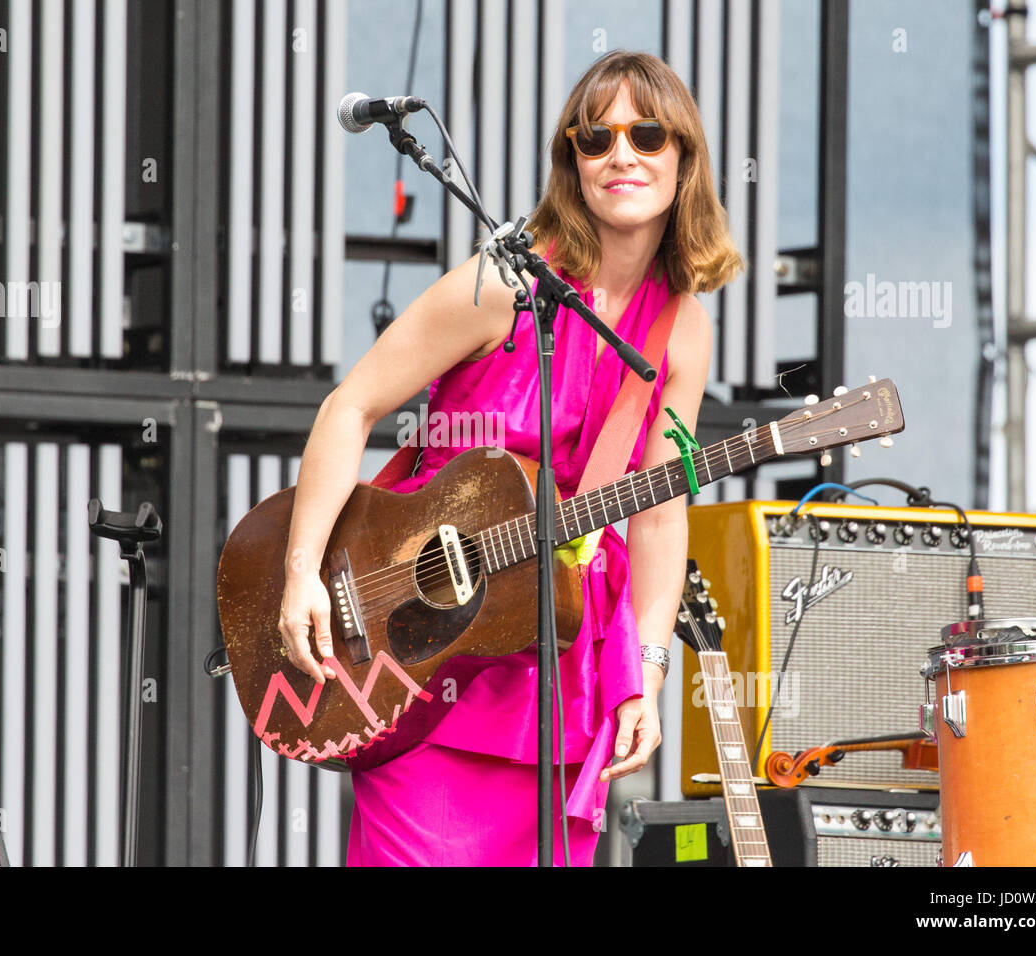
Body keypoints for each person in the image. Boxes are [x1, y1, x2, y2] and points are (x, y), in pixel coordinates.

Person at [277, 50, 742, 866]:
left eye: (647, 134)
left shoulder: (685, 330)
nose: (621, 154)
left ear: (685, 159)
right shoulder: (503, 282)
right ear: (572, 161)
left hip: (561, 673)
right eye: (595, 137)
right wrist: (301, 573)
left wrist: (652, 672)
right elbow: (347, 407)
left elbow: (662, 507)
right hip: (431, 651)